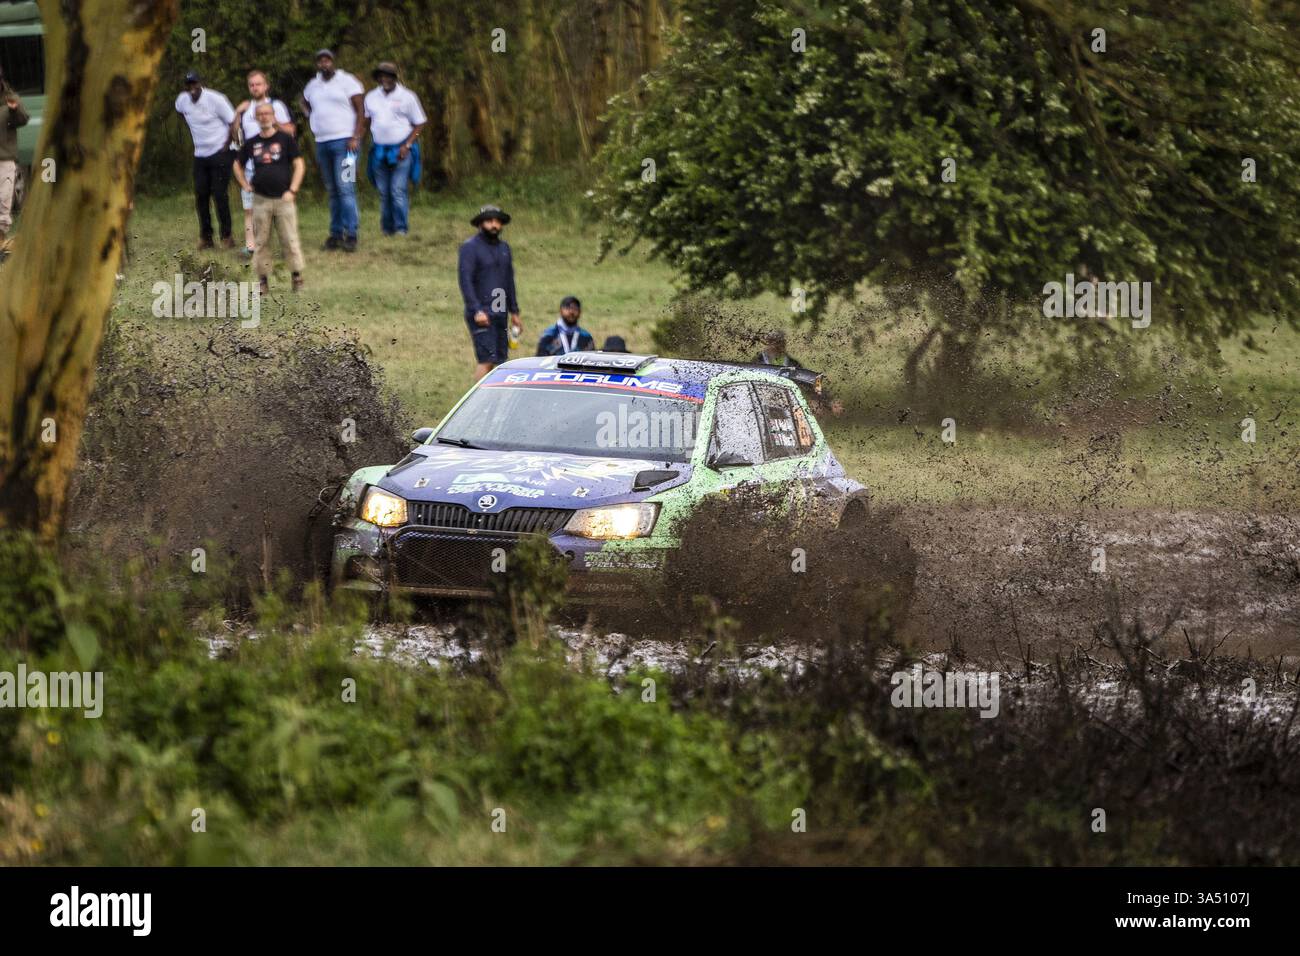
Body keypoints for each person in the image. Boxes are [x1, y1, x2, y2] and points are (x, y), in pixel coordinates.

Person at [234, 102, 306, 293]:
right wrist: (244, 184)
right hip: (260, 199)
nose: (265, 117)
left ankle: (296, 277)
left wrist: (293, 190)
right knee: (261, 242)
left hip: (284, 199)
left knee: (289, 239)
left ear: (274, 116)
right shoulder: (252, 142)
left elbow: (299, 164)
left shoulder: (285, 140)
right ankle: (263, 281)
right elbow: (237, 164)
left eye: (268, 113)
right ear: (256, 118)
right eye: (261, 114)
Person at [301, 49, 364, 252]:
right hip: (323, 143)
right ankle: (336, 233)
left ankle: (351, 233)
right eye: (320, 61)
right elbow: (303, 102)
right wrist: (309, 115)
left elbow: (361, 110)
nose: (324, 64)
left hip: (346, 143)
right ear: (317, 64)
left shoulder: (348, 81)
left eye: (327, 60)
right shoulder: (313, 85)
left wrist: (356, 136)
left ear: (333, 62)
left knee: (345, 187)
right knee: (333, 190)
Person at [232, 70, 295, 258]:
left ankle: (286, 245)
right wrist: (237, 113)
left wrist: (273, 120)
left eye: (258, 84)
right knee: (249, 208)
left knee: (280, 209)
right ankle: (251, 247)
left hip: (274, 165)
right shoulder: (245, 109)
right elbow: (235, 136)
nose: (255, 88)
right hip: (252, 166)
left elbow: (290, 131)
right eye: (251, 85)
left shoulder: (276, 106)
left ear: (266, 86)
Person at [458, 204, 523, 380]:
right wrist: (476, 309)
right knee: (486, 360)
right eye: (489, 221)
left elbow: (509, 280)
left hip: (500, 310)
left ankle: (494, 401)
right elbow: (465, 281)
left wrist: (514, 312)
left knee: (500, 361)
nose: (494, 225)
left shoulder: (504, 248)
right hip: (481, 312)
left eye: (497, 221)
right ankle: (476, 403)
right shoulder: (470, 248)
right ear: (480, 224)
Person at [361, 62, 425, 237]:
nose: (385, 79)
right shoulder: (371, 97)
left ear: (395, 78)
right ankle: (387, 228)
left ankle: (401, 228)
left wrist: (407, 145)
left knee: (397, 190)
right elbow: (366, 122)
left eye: (388, 75)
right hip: (379, 150)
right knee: (384, 192)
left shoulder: (408, 96)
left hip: (401, 150)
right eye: (381, 75)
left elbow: (419, 123)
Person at [175, 71, 236, 250]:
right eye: (188, 85)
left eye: (195, 84)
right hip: (200, 154)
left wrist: (228, 144)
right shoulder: (182, 100)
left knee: (219, 194)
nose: (192, 88)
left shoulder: (216, 99)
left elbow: (233, 121)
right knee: (201, 195)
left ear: (201, 83)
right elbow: (181, 112)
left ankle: (227, 236)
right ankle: (206, 237)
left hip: (221, 151)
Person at [753, 329, 844, 416]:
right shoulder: (757, 363)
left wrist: (829, 401)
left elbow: (809, 382)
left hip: (788, 402)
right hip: (763, 401)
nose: (774, 346)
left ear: (783, 344)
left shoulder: (792, 363)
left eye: (778, 343)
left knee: (816, 406)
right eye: (771, 342)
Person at [0, 65, 29, 242]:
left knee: (3, 207)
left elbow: (23, 118)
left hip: (5, 161)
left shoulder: (10, 98)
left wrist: (15, 109)